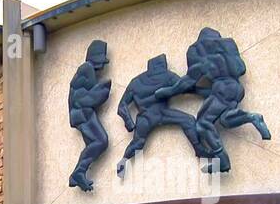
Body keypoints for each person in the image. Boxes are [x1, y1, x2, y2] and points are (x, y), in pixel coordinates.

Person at [154, 27, 270, 172]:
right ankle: (252, 117)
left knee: (202, 124)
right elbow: (241, 69)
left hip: (221, 88)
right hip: (236, 88)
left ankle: (222, 161)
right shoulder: (228, 47)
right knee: (226, 120)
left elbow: (189, 80)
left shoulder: (198, 50)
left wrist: (168, 91)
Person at [115, 54, 208, 177]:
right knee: (189, 120)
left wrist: (129, 122)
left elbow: (122, 106)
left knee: (138, 142)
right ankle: (199, 149)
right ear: (163, 65)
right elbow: (186, 88)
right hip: (161, 113)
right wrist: (207, 92)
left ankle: (123, 161)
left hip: (145, 117)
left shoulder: (136, 82)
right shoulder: (167, 76)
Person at [67, 40, 112, 190]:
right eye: (101, 60)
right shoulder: (87, 69)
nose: (103, 65)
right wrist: (102, 91)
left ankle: (78, 174)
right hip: (82, 113)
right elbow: (80, 98)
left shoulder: (87, 70)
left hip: (82, 113)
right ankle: (78, 172)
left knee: (94, 144)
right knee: (101, 141)